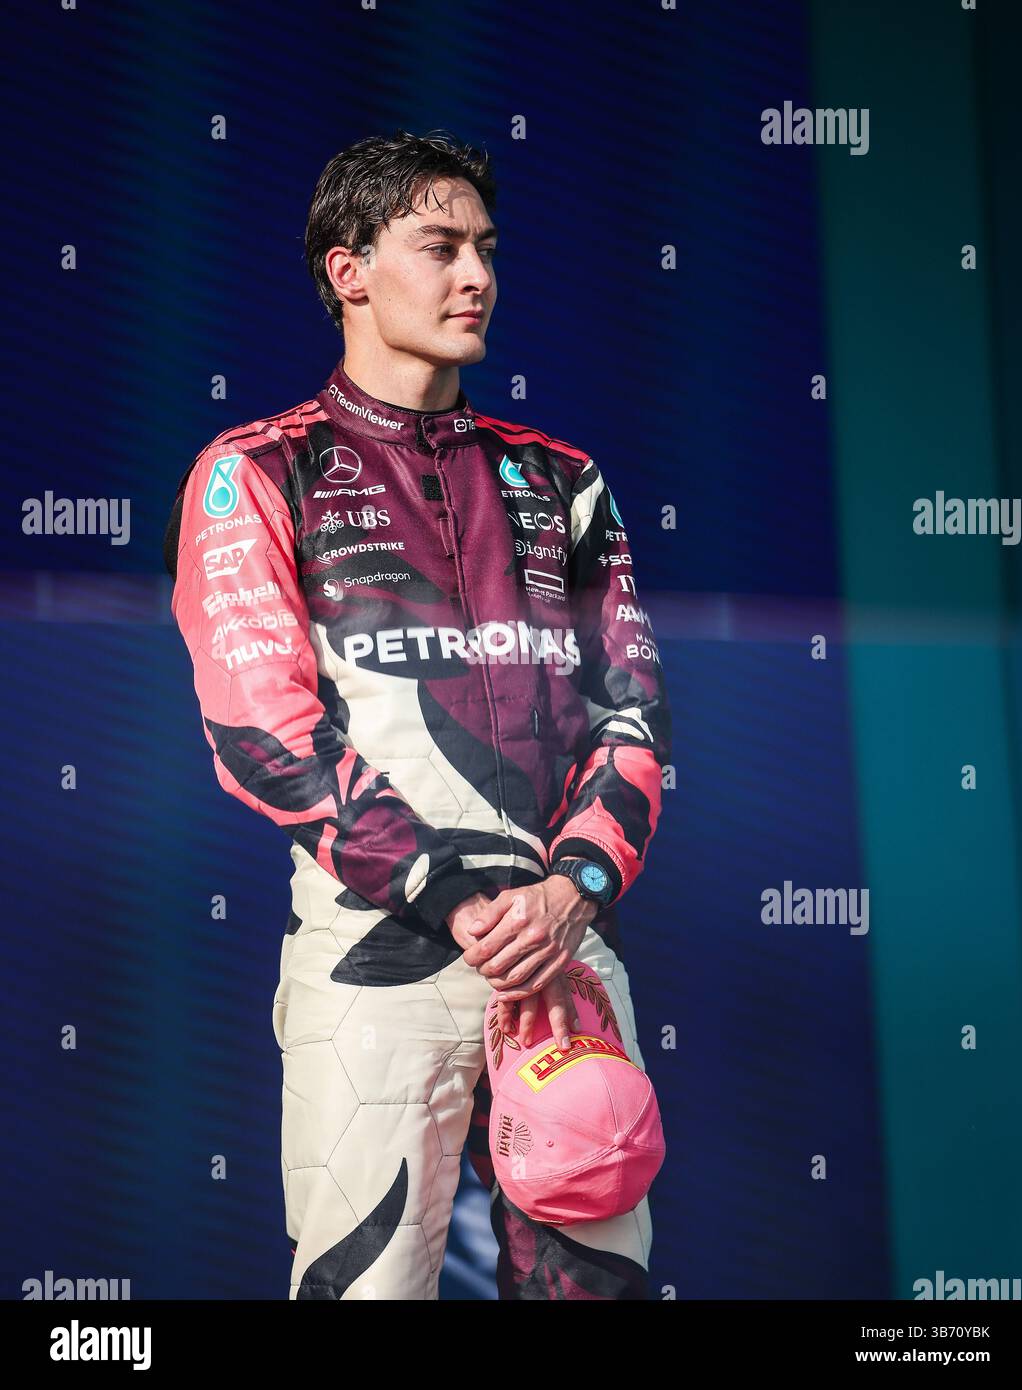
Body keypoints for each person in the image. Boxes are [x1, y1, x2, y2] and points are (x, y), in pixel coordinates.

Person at [163, 128, 672, 1300]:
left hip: (561, 956)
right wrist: (450, 895)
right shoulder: (256, 469)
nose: (475, 276)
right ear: (348, 271)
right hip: (375, 955)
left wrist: (570, 890)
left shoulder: (562, 479)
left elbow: (632, 719)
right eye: (438, 247)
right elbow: (266, 733)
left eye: (485, 249)